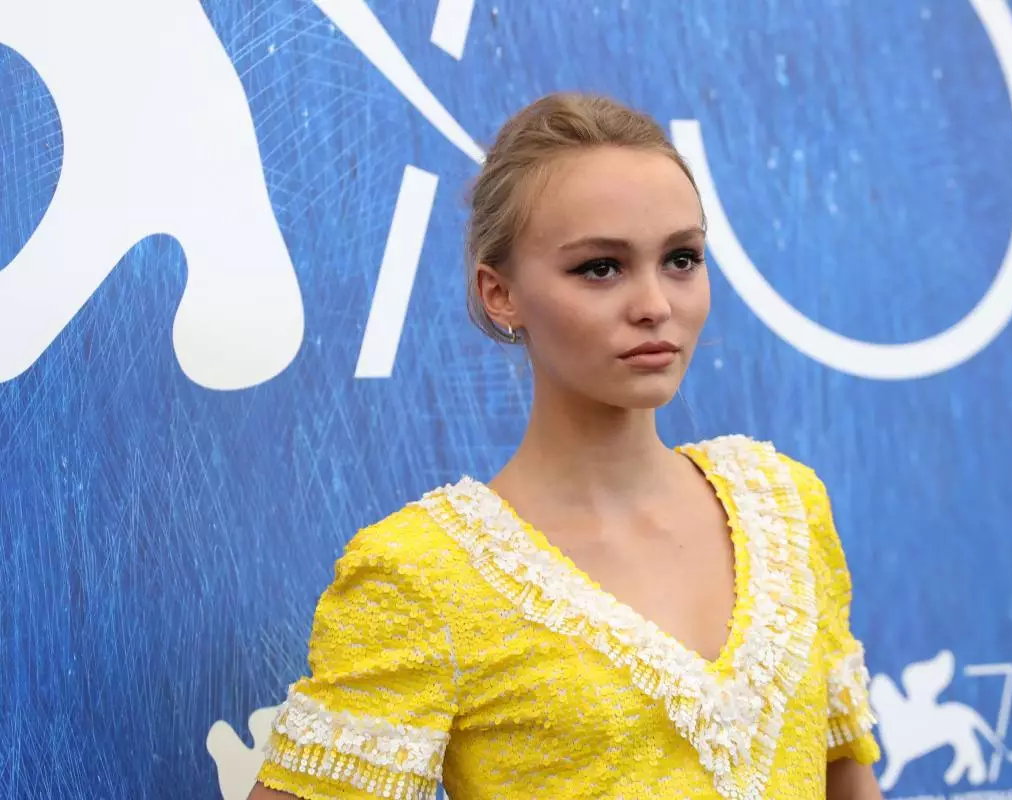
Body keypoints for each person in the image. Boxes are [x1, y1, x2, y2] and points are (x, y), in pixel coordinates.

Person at [249, 92, 882, 800]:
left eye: (681, 258)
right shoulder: (423, 579)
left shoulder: (786, 509)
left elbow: (845, 780)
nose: (655, 304)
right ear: (500, 294)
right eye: (600, 268)